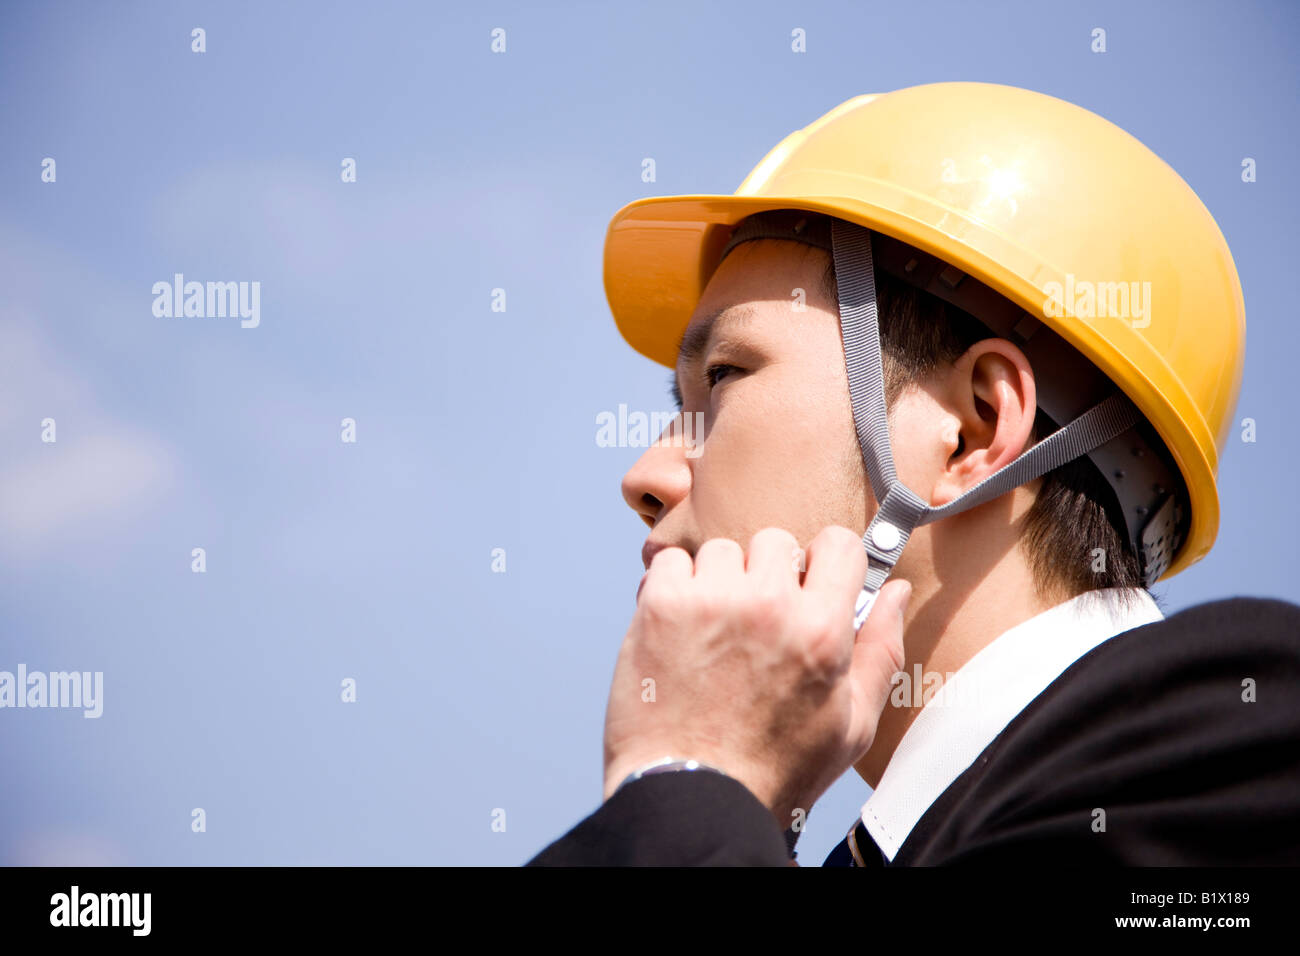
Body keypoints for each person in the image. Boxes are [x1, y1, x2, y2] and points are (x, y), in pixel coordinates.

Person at [526, 82, 1300, 866]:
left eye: (724, 376)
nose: (645, 476)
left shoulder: (1238, 751)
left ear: (972, 431)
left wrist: (692, 780)